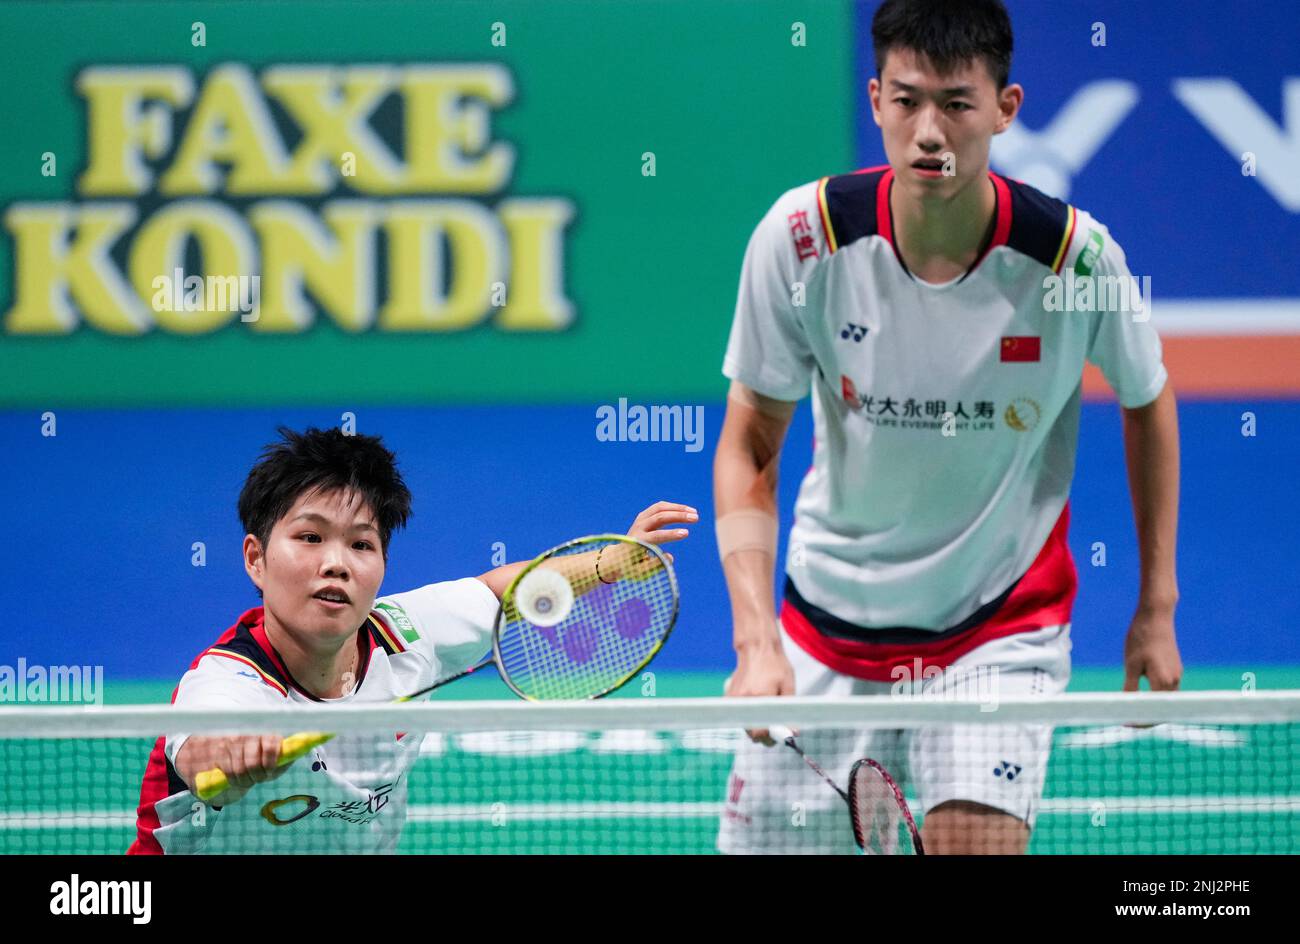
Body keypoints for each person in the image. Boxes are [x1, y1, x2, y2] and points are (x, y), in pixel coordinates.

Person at [714, 0, 1182, 854]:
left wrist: (1156, 601)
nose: (930, 131)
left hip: (997, 630)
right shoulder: (801, 240)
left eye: (958, 104)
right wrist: (755, 640)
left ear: (1006, 108)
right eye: (907, 100)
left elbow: (1148, 398)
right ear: (875, 100)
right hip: (826, 626)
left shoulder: (1073, 260)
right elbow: (751, 439)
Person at [129, 425, 695, 853]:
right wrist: (234, 751)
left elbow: (502, 591)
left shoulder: (409, 636)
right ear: (256, 558)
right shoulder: (225, 684)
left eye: (361, 545)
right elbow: (203, 739)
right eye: (309, 537)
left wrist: (607, 564)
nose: (336, 564)